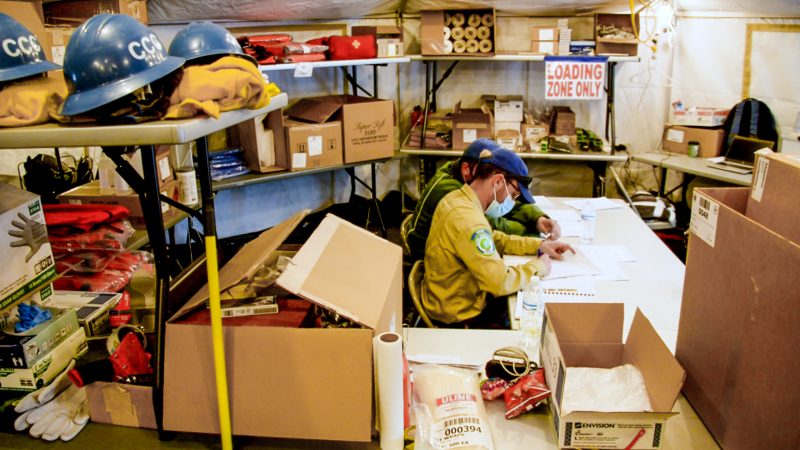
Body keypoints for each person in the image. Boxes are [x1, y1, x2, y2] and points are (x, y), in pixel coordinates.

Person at [422, 147, 574, 327]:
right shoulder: (469, 220)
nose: (513, 200)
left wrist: (539, 245)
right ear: (498, 182)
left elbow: (494, 238)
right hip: (459, 314)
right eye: (514, 194)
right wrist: (537, 267)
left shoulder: (458, 199)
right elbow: (499, 282)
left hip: (446, 295)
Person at [404, 138, 560, 261]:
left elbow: (509, 200)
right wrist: (533, 234)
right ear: (467, 169)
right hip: (427, 256)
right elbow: (492, 225)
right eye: (486, 172)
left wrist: (537, 219)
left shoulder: (466, 175)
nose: (489, 178)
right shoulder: (452, 192)